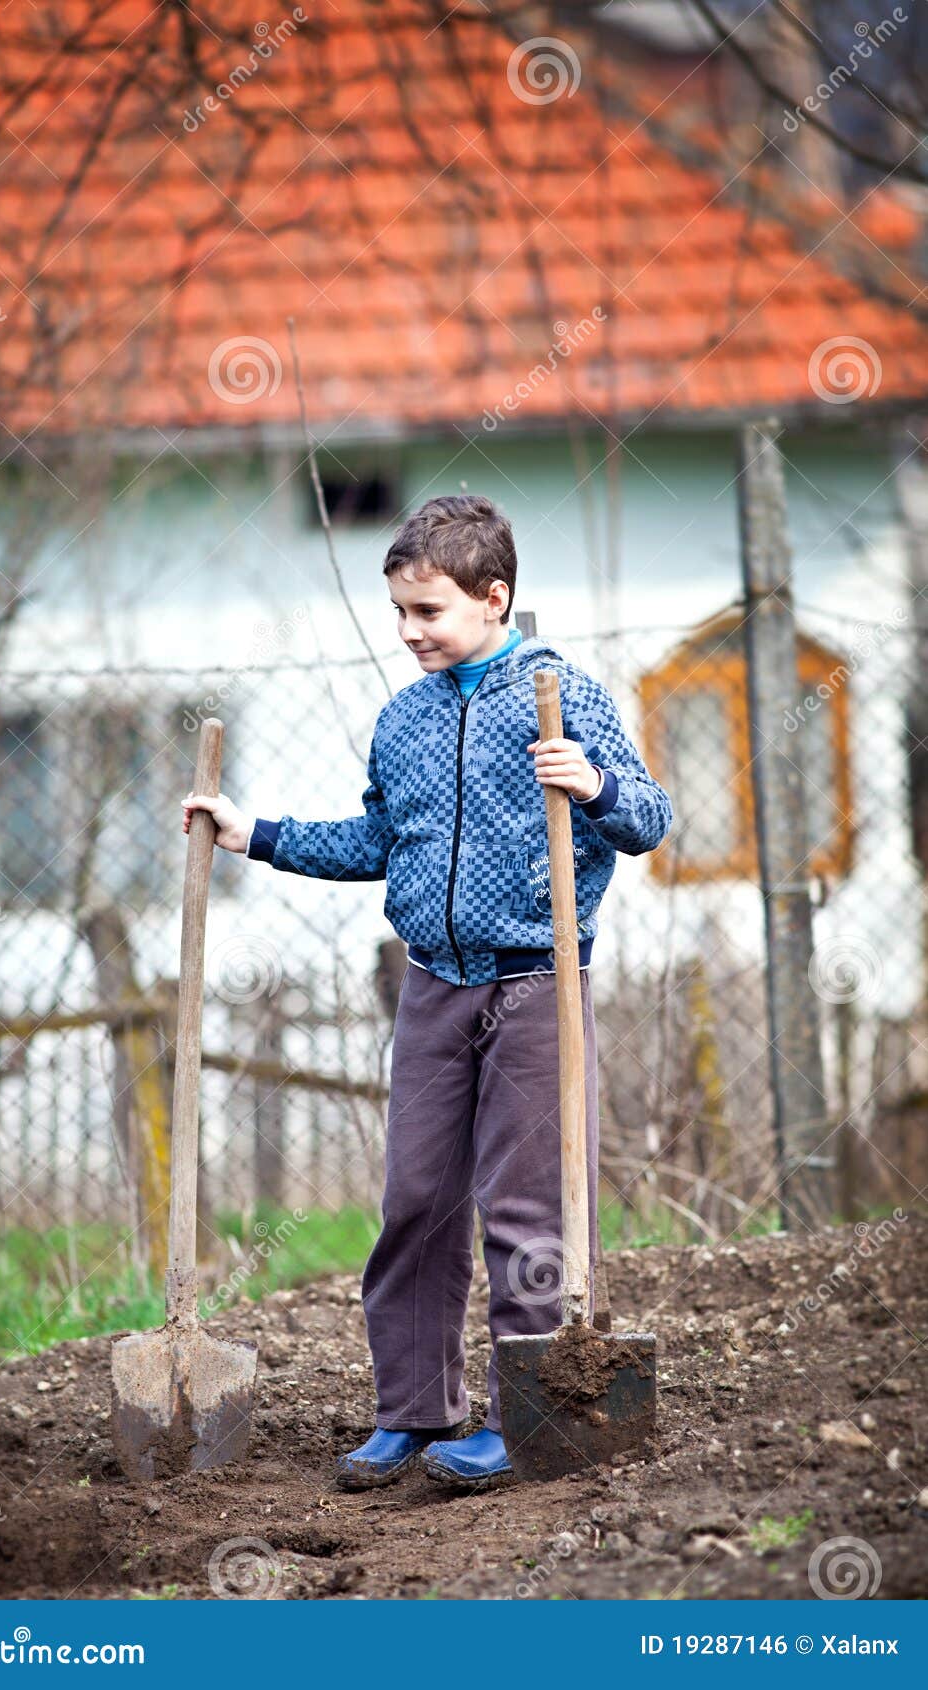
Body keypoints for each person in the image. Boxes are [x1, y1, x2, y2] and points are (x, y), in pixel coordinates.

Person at [181, 493, 673, 1490]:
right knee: (414, 1200)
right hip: (433, 986)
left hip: (539, 980)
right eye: (399, 612)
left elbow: (651, 819)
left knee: (525, 1209)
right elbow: (378, 842)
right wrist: (255, 835)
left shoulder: (562, 697)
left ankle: (526, 1414)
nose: (408, 632)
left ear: (493, 599)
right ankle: (413, 1409)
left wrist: (595, 787)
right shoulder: (402, 719)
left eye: (428, 613)